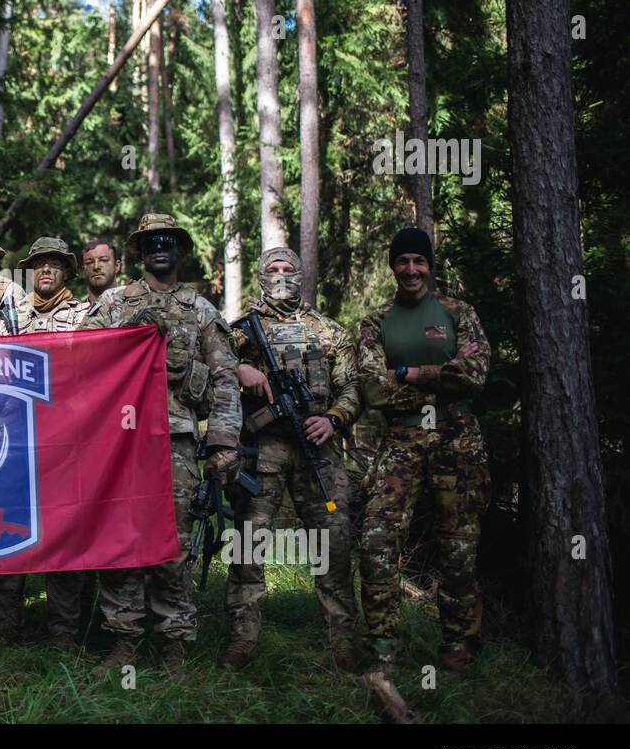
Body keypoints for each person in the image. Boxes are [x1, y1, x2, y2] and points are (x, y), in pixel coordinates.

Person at [80, 213, 241, 669]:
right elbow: (81, 359)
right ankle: (122, 639)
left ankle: (174, 641)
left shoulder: (201, 310)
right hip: (121, 442)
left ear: (181, 250)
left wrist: (224, 442)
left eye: (168, 240)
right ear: (140, 250)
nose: (159, 247)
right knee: (119, 540)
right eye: (151, 241)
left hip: (178, 441)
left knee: (173, 542)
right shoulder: (115, 304)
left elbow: (227, 378)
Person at [357, 227, 491, 676]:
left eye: (419, 260)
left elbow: (474, 375)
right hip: (400, 441)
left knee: (458, 549)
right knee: (377, 541)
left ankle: (458, 645)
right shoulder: (375, 321)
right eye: (402, 261)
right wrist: (438, 379)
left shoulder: (458, 312)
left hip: (458, 439)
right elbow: (374, 389)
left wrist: (409, 372)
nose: (411, 269)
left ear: (430, 266)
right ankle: (382, 650)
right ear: (392, 266)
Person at [221, 246, 361, 671]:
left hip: (318, 448)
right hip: (264, 449)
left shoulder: (328, 331)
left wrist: (334, 419)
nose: (281, 276)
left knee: (333, 543)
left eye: (288, 269)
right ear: (262, 276)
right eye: (273, 270)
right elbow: (210, 361)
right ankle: (242, 636)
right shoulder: (241, 331)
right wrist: (238, 367)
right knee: (249, 543)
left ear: (301, 275)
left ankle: (343, 640)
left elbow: (353, 386)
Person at [0, 237, 93, 647]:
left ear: (67, 271)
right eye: (39, 264)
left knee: (63, 535)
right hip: (13, 443)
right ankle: (5, 625)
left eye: (55, 263)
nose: (46, 270)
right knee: (7, 532)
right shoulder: (7, 317)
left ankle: (63, 632)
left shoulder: (85, 317)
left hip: (66, 445)